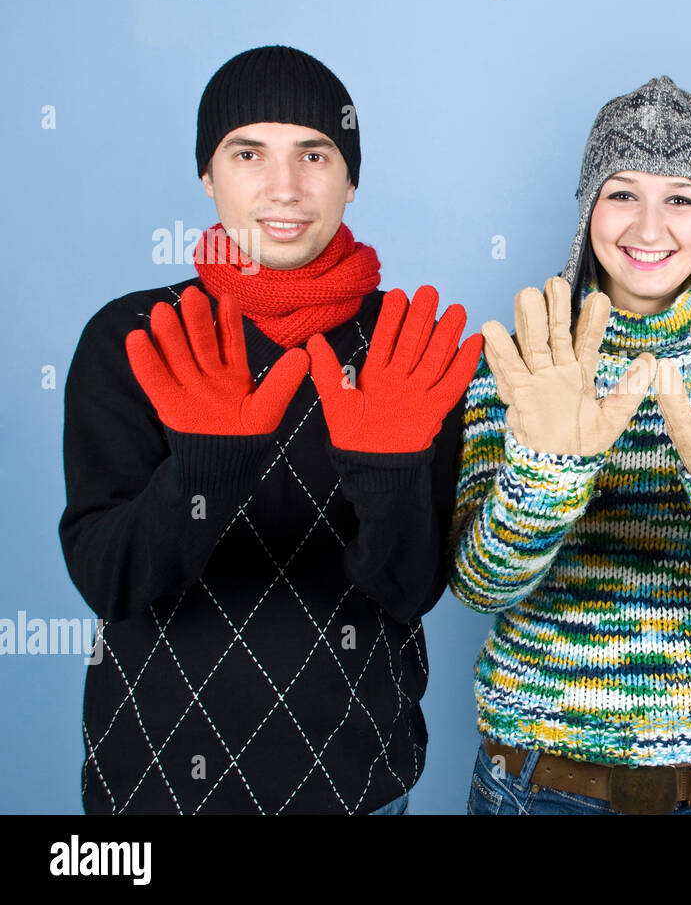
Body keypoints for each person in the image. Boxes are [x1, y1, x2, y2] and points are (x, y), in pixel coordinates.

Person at [58, 45, 481, 814]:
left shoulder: (404, 347)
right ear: (207, 174)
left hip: (359, 783)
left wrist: (388, 474)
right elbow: (110, 580)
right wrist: (202, 472)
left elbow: (410, 589)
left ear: (351, 179)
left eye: (314, 154)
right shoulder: (137, 335)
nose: (284, 187)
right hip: (153, 788)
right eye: (248, 152)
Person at [450, 76, 691, 815]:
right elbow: (480, 586)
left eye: (680, 198)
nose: (649, 228)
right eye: (623, 193)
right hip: (538, 783)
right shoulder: (525, 370)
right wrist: (548, 475)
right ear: (588, 205)